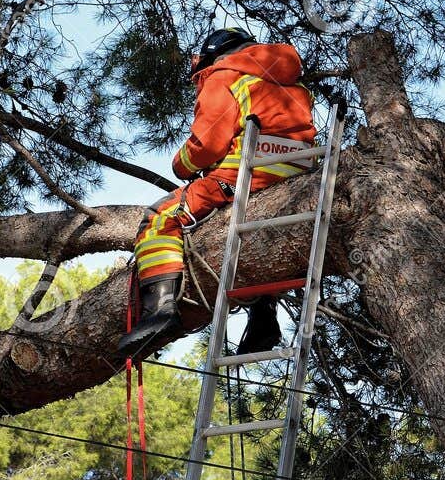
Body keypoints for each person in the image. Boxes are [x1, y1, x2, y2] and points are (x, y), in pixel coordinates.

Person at [116, 27, 318, 360]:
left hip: (244, 177)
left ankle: (160, 311)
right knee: (257, 245)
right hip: (296, 181)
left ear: (211, 56)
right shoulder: (292, 84)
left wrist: (180, 164)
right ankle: (263, 317)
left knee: (158, 218)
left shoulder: (222, 75)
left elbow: (207, 144)